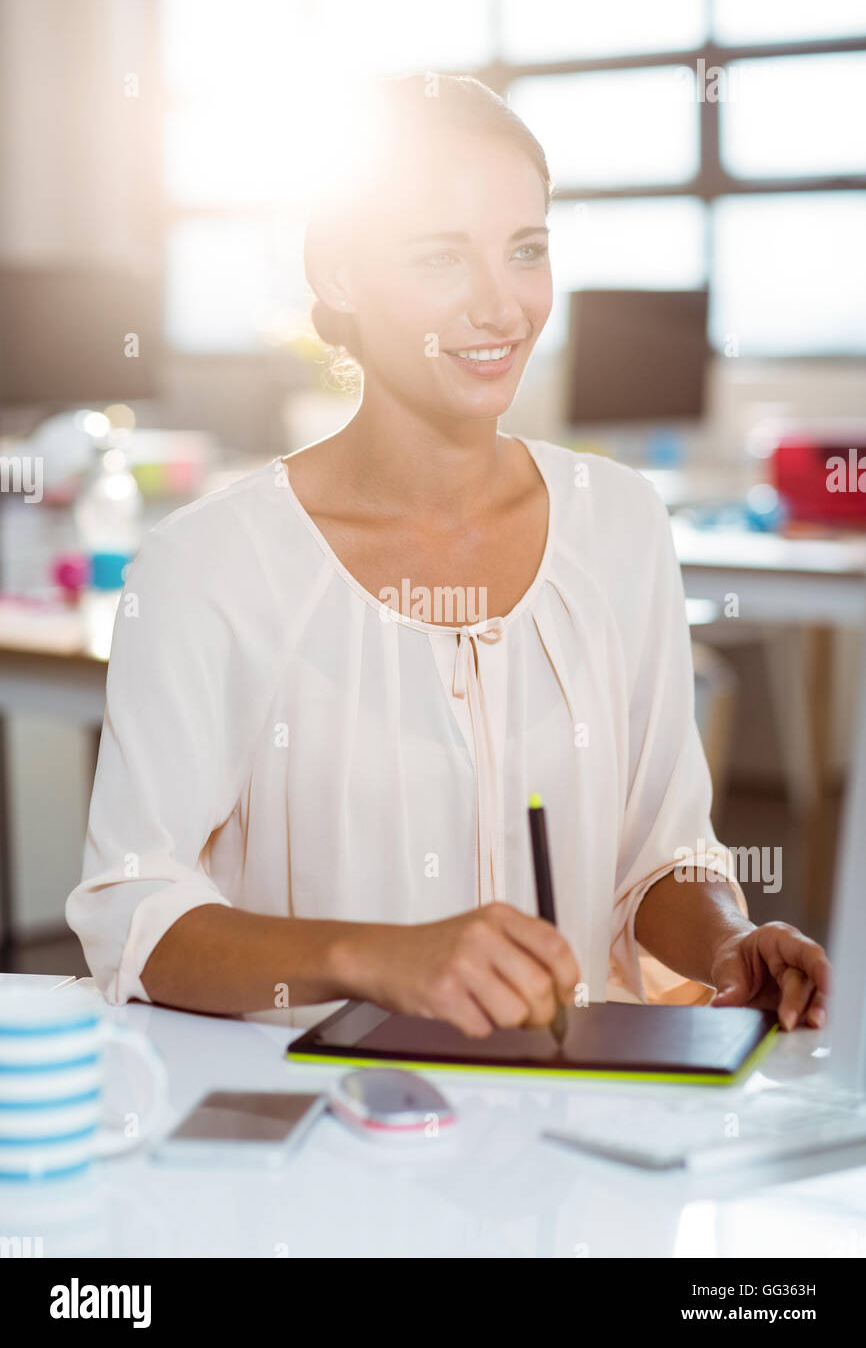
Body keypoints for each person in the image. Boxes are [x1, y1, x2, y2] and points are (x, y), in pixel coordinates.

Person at [67, 73, 830, 1036]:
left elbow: (660, 856)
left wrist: (724, 939)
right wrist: (380, 959)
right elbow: (134, 910)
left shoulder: (620, 524)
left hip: (576, 1137)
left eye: (526, 251)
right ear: (341, 275)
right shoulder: (205, 566)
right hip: (327, 1133)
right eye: (440, 259)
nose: (501, 307)